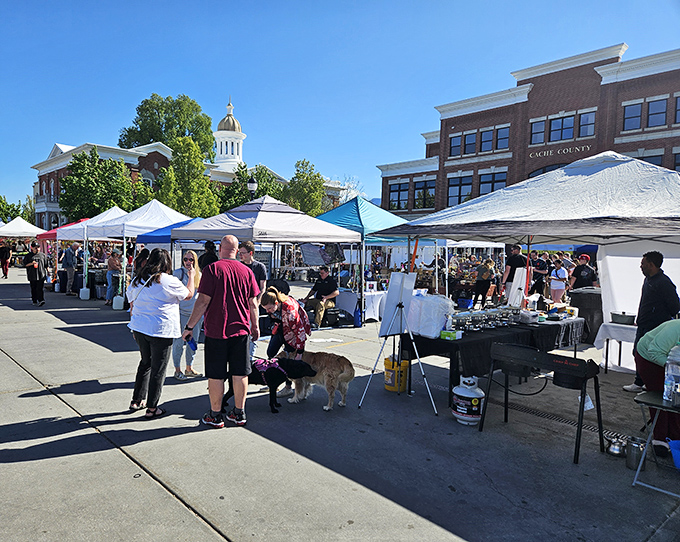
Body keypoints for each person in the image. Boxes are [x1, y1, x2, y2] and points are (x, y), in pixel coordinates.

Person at [182, 235, 260, 428]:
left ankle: (215, 415)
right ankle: (239, 413)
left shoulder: (212, 270)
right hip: (241, 330)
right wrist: (255, 326)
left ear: (220, 249)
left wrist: (189, 327)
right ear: (236, 250)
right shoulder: (247, 271)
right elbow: (253, 304)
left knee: (216, 374)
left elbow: (202, 302)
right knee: (241, 373)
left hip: (217, 330)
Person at [126, 248, 195, 419]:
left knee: (145, 363)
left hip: (140, 327)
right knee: (158, 369)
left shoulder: (138, 280)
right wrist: (191, 276)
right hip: (161, 330)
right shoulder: (168, 280)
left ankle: (137, 399)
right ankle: (152, 407)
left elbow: (132, 303)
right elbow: (189, 294)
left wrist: (134, 324)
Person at [624, 251, 680, 393]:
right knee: (637, 351)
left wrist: (658, 316)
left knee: (650, 354)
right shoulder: (648, 280)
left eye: (643, 264)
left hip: (656, 325)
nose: (640, 266)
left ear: (651, 265)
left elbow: (675, 306)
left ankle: (645, 382)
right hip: (643, 323)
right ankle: (641, 381)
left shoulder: (664, 282)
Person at [634, 319, 680, 456]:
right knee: (660, 397)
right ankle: (660, 439)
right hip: (649, 358)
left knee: (676, 397)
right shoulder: (675, 329)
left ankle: (675, 436)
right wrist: (673, 369)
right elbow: (654, 351)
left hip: (673, 361)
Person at [261, 286, 312, 396]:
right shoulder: (273, 307)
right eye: (265, 309)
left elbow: (300, 332)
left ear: (276, 302)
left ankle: (288, 387)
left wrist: (299, 352)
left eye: (269, 308)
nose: (267, 311)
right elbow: (274, 317)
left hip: (293, 333)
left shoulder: (290, 311)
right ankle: (273, 380)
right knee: (271, 352)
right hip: (281, 328)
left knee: (290, 359)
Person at [171, 250, 202, 380]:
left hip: (196, 315)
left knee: (193, 343)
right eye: (185, 259)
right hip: (181, 313)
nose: (188, 262)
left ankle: (189, 367)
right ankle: (177, 370)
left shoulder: (199, 275)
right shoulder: (178, 273)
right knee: (178, 342)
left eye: (191, 259)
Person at [238, 240, 267, 362]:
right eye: (239, 253)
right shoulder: (239, 266)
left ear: (250, 253)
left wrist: (258, 300)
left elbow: (262, 286)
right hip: (240, 304)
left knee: (253, 331)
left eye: (243, 253)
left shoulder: (259, 267)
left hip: (253, 303)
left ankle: (250, 360)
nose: (240, 256)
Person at [23, 241, 49, 306]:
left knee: (40, 288)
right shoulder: (28, 256)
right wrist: (32, 263)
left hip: (41, 274)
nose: (37, 249)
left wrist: (48, 272)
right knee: (34, 288)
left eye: (38, 247)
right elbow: (25, 264)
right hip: (32, 275)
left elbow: (46, 264)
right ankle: (34, 300)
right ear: (32, 248)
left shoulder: (42, 255)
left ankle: (41, 300)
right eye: (35, 248)